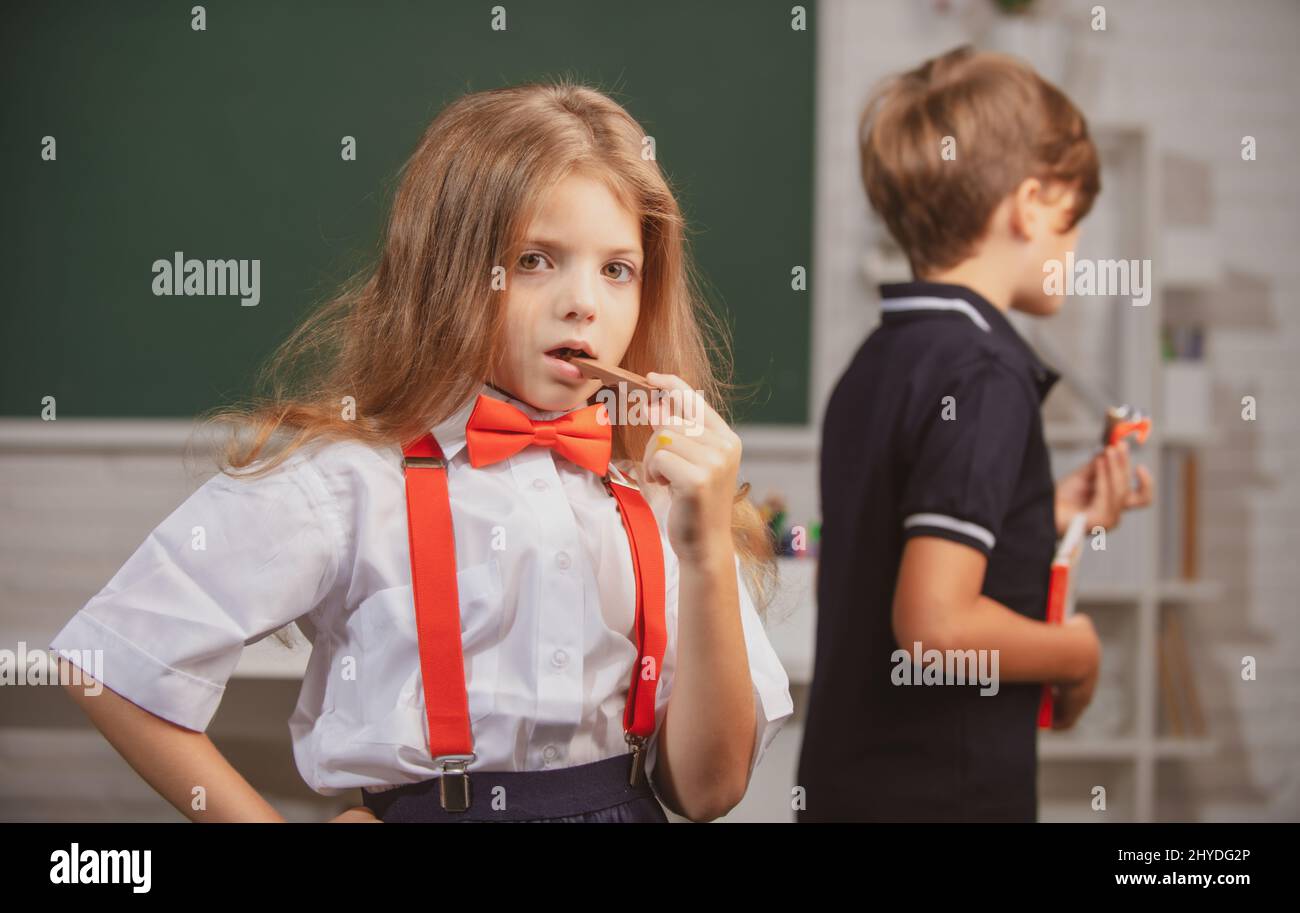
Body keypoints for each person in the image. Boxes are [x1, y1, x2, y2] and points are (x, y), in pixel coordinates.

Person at [50, 81, 794, 823]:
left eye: (617, 268)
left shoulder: (660, 490)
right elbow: (112, 660)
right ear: (451, 271)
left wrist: (703, 556)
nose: (584, 302)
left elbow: (708, 790)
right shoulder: (349, 479)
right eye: (535, 259)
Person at [797, 46, 1153, 822]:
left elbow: (886, 547)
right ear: (1030, 205)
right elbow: (935, 628)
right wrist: (1077, 653)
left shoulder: (880, 358)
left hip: (844, 788)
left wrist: (1047, 511)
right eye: (1073, 220)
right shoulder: (987, 372)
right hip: (940, 798)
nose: (1075, 247)